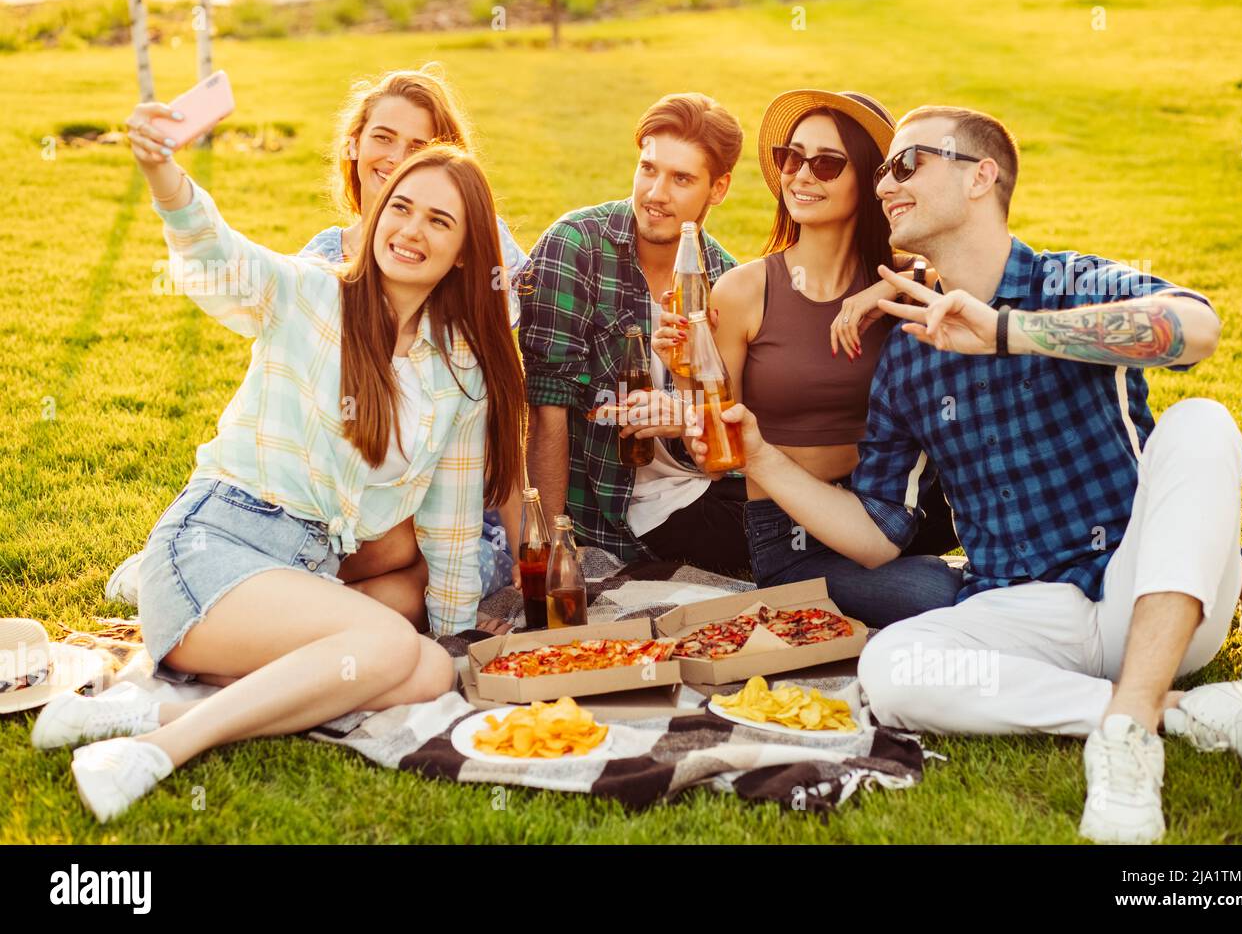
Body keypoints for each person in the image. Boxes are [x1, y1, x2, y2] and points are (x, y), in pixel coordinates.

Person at [686, 105, 1242, 844]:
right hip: (1028, 609)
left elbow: (1197, 329)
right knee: (892, 669)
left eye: (907, 164)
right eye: (882, 172)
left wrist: (1008, 333)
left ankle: (1127, 737)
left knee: (1202, 425)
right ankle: (1183, 713)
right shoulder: (909, 353)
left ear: (981, 176)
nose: (884, 186)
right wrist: (762, 459)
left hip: (1141, 592)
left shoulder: (1065, 281)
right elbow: (878, 535)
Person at [31, 99, 524, 824]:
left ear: (465, 252)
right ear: (378, 210)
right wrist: (162, 173)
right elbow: (215, 255)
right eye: (402, 208)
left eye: (439, 222)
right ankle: (161, 748)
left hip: (303, 572)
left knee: (423, 670)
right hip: (211, 551)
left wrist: (459, 643)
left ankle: (158, 704)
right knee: (388, 645)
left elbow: (449, 529)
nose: (411, 230)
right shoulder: (312, 293)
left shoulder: (459, 371)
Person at [105, 64, 524, 628]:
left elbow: (466, 486)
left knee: (419, 589)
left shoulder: (463, 325)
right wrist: (163, 174)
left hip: (380, 520)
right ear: (353, 147)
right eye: (384, 140)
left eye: (418, 147)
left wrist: (464, 624)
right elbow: (219, 261)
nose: (398, 159)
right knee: (392, 613)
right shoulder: (317, 279)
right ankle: (220, 595)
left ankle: (290, 623)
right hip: (289, 518)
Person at [651, 90, 962, 626]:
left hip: (903, 510)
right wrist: (687, 377)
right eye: (791, 158)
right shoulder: (744, 292)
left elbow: (993, 269)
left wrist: (876, 294)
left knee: (1007, 579)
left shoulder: (909, 280)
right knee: (941, 598)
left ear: (869, 178)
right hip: (794, 536)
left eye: (825, 163)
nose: (801, 175)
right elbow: (714, 455)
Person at [521, 93, 751, 574]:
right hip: (623, 506)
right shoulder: (576, 247)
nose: (655, 194)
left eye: (681, 178)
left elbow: (724, 446)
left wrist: (685, 415)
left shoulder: (725, 280)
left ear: (719, 188)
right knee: (781, 546)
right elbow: (546, 413)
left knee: (801, 518)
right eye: (648, 169)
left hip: (703, 482)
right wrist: (551, 551)